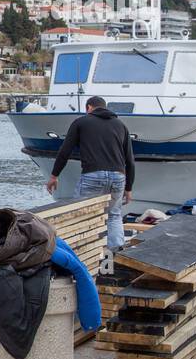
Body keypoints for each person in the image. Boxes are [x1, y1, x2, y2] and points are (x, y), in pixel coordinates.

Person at [45, 95, 134, 252]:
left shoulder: (81, 122)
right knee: (114, 215)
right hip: (118, 176)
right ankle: (115, 255)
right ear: (105, 107)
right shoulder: (121, 125)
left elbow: (65, 151)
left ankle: (82, 253)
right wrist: (128, 188)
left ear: (89, 108)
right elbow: (130, 160)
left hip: (93, 175)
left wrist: (54, 175)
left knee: (82, 215)